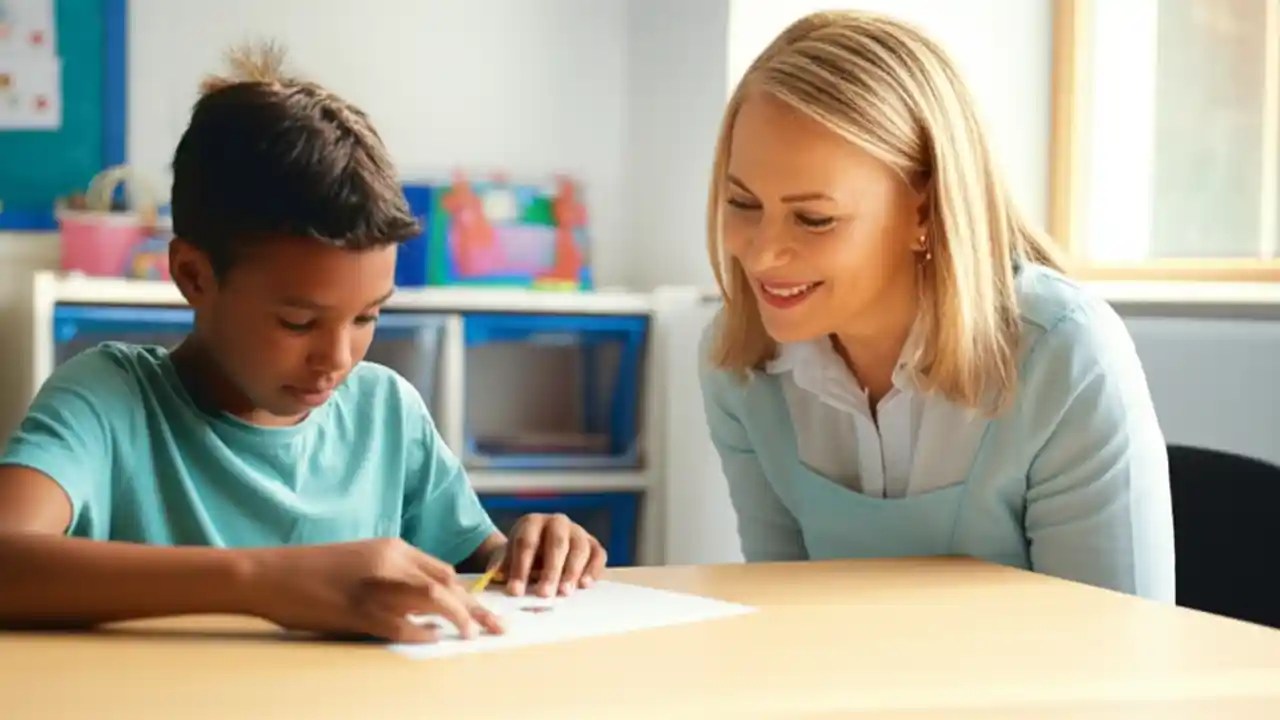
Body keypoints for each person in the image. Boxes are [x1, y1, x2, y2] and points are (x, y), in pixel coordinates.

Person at [0, 46, 606, 642]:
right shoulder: (109, 401)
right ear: (193, 276)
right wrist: (265, 583)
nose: (337, 360)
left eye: (367, 316)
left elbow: (480, 567)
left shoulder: (386, 413)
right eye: (297, 322)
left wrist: (528, 552)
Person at [699, 11, 1174, 601]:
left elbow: (1117, 641)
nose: (763, 253)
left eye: (814, 218)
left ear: (923, 211)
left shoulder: (1066, 354)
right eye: (743, 204)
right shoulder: (740, 361)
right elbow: (779, 608)